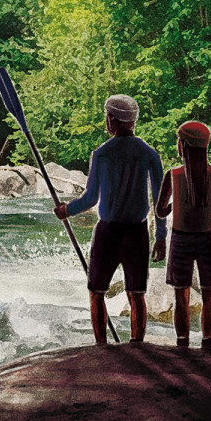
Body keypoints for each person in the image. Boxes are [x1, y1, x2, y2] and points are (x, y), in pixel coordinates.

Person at [54, 94, 167, 345]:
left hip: (109, 233)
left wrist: (67, 210)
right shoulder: (149, 154)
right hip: (138, 234)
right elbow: (160, 201)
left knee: (96, 293)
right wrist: (161, 237)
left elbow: (91, 198)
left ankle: (101, 347)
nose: (107, 121)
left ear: (113, 120)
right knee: (136, 294)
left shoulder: (102, 154)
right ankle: (137, 346)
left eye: (108, 117)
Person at [155, 121, 211, 348]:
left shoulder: (173, 175)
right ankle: (207, 340)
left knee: (181, 295)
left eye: (179, 141)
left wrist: (175, 206)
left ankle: (183, 341)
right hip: (208, 239)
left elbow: (159, 210)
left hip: (181, 238)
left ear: (184, 145)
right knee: (209, 294)